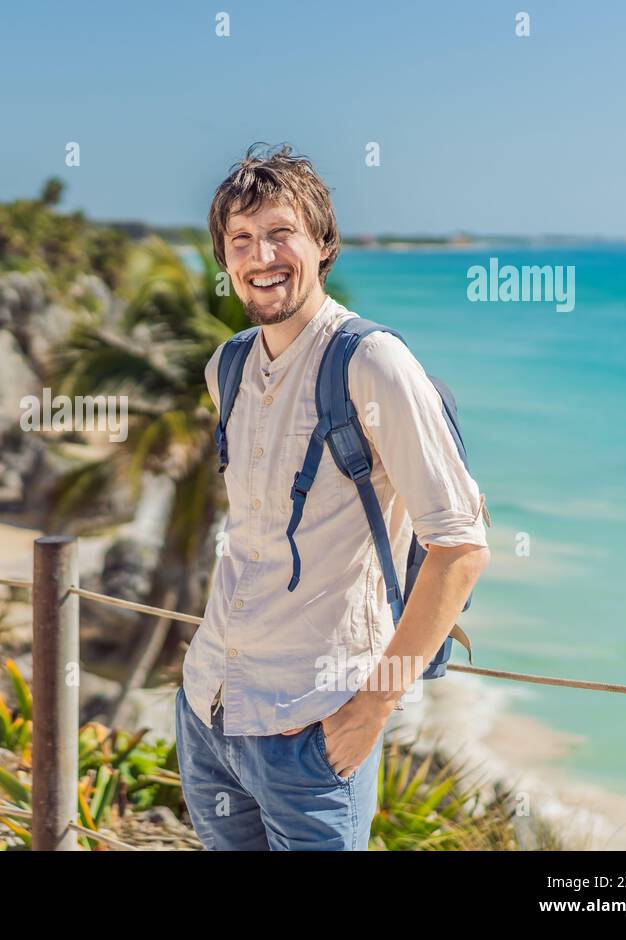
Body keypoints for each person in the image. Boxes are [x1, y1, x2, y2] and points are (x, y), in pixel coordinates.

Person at [175, 143, 491, 850]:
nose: (263, 256)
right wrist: (198, 700)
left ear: (322, 245)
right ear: (224, 261)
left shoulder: (371, 362)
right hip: (209, 710)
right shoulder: (226, 366)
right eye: (242, 239)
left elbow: (461, 548)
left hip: (312, 730)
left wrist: (371, 710)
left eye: (281, 233)